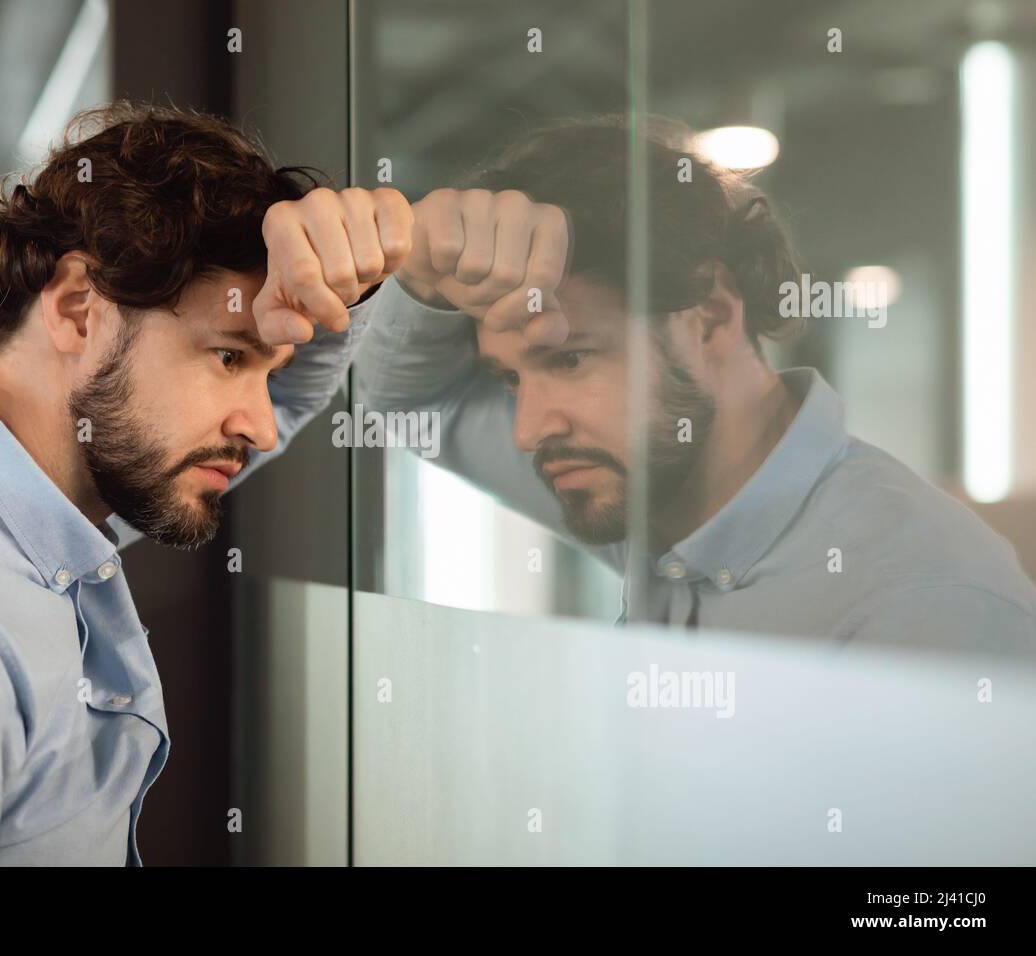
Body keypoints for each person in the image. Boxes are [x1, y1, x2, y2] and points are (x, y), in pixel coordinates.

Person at [0, 101, 411, 864]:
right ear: (78, 308)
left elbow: (283, 401)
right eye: (228, 357)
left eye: (264, 369)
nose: (259, 425)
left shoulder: (15, 516)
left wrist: (350, 271)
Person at [355, 113, 1035, 654]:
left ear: (710, 315)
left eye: (569, 360)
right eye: (509, 379)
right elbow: (411, 399)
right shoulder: (655, 486)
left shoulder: (926, 605)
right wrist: (421, 279)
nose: (531, 429)